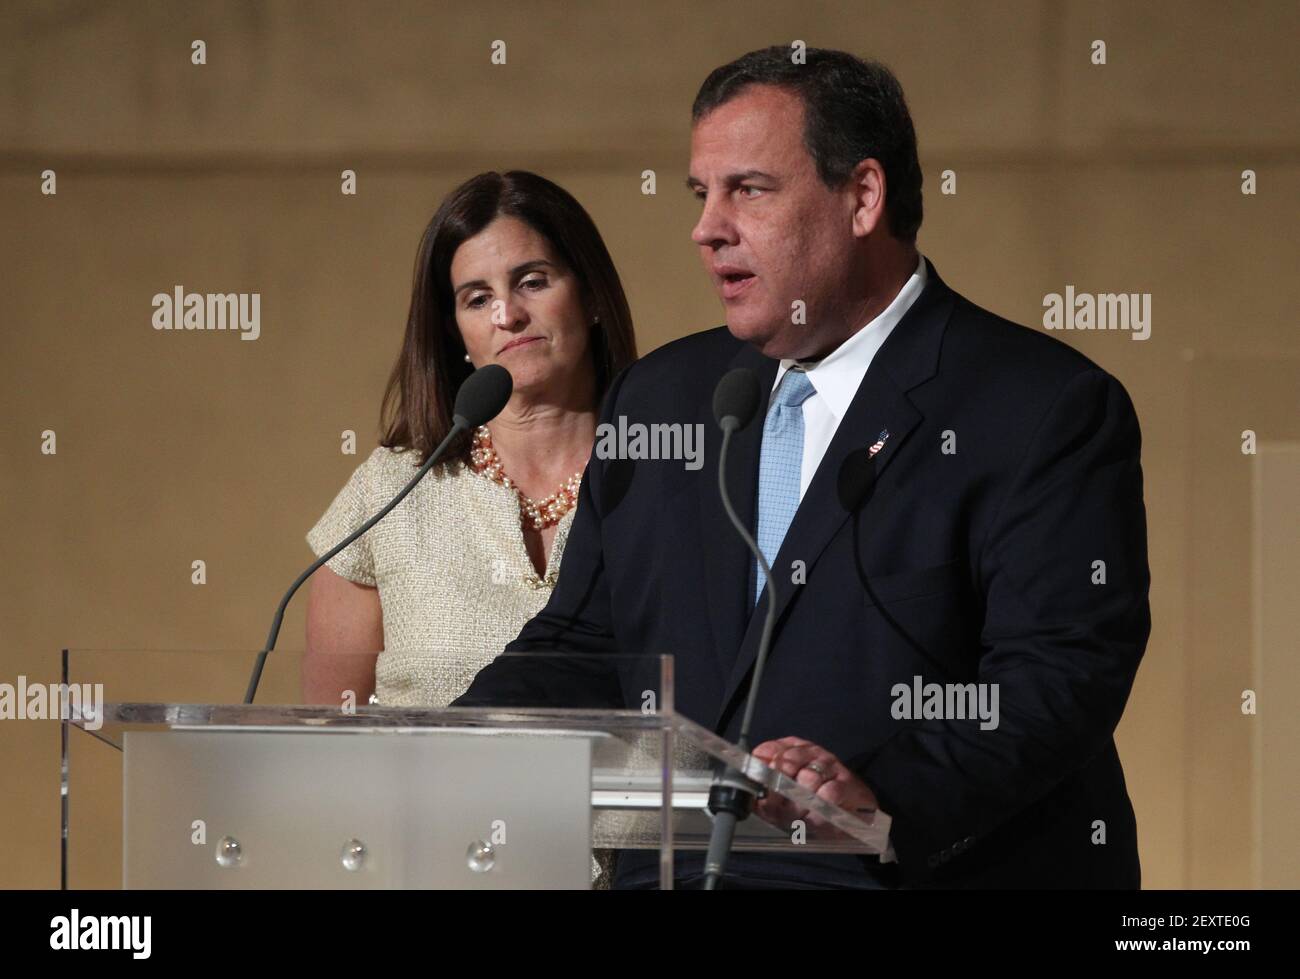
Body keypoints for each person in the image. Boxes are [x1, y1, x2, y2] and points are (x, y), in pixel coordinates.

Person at [456, 47, 1150, 890]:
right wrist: (448, 744)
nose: (707, 226)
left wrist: (877, 798)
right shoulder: (664, 399)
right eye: (700, 194)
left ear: (862, 197)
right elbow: (586, 643)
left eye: (747, 189)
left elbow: (1057, 679)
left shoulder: (1040, 407)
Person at [301, 170, 637, 886]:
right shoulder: (390, 492)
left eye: (533, 280)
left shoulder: (674, 479)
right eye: (476, 298)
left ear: (592, 295)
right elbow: (331, 754)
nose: (507, 314)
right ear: (457, 332)